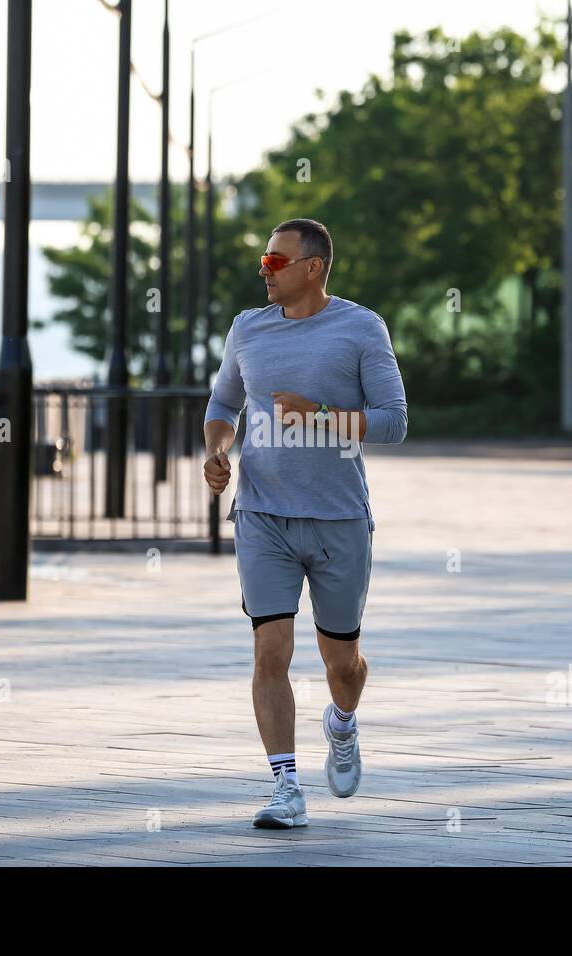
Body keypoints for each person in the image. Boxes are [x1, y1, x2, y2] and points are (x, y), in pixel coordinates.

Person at [202, 217, 408, 828]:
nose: (263, 270)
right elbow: (223, 405)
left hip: (339, 516)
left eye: (275, 262)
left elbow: (394, 422)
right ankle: (286, 789)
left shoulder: (361, 328)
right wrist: (217, 451)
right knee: (271, 650)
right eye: (264, 260)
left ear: (312, 268)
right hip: (263, 513)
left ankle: (342, 723)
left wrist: (319, 414)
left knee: (341, 662)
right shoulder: (248, 328)